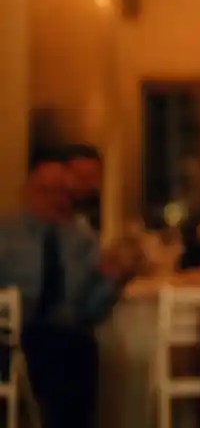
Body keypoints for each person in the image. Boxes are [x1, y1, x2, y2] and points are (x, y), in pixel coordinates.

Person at [0, 149, 137, 428]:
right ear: (30, 192)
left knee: (79, 348)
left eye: (63, 193)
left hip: (66, 336)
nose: (56, 200)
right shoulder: (7, 237)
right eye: (47, 191)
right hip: (15, 333)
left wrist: (113, 280)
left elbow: (90, 310)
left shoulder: (83, 240)